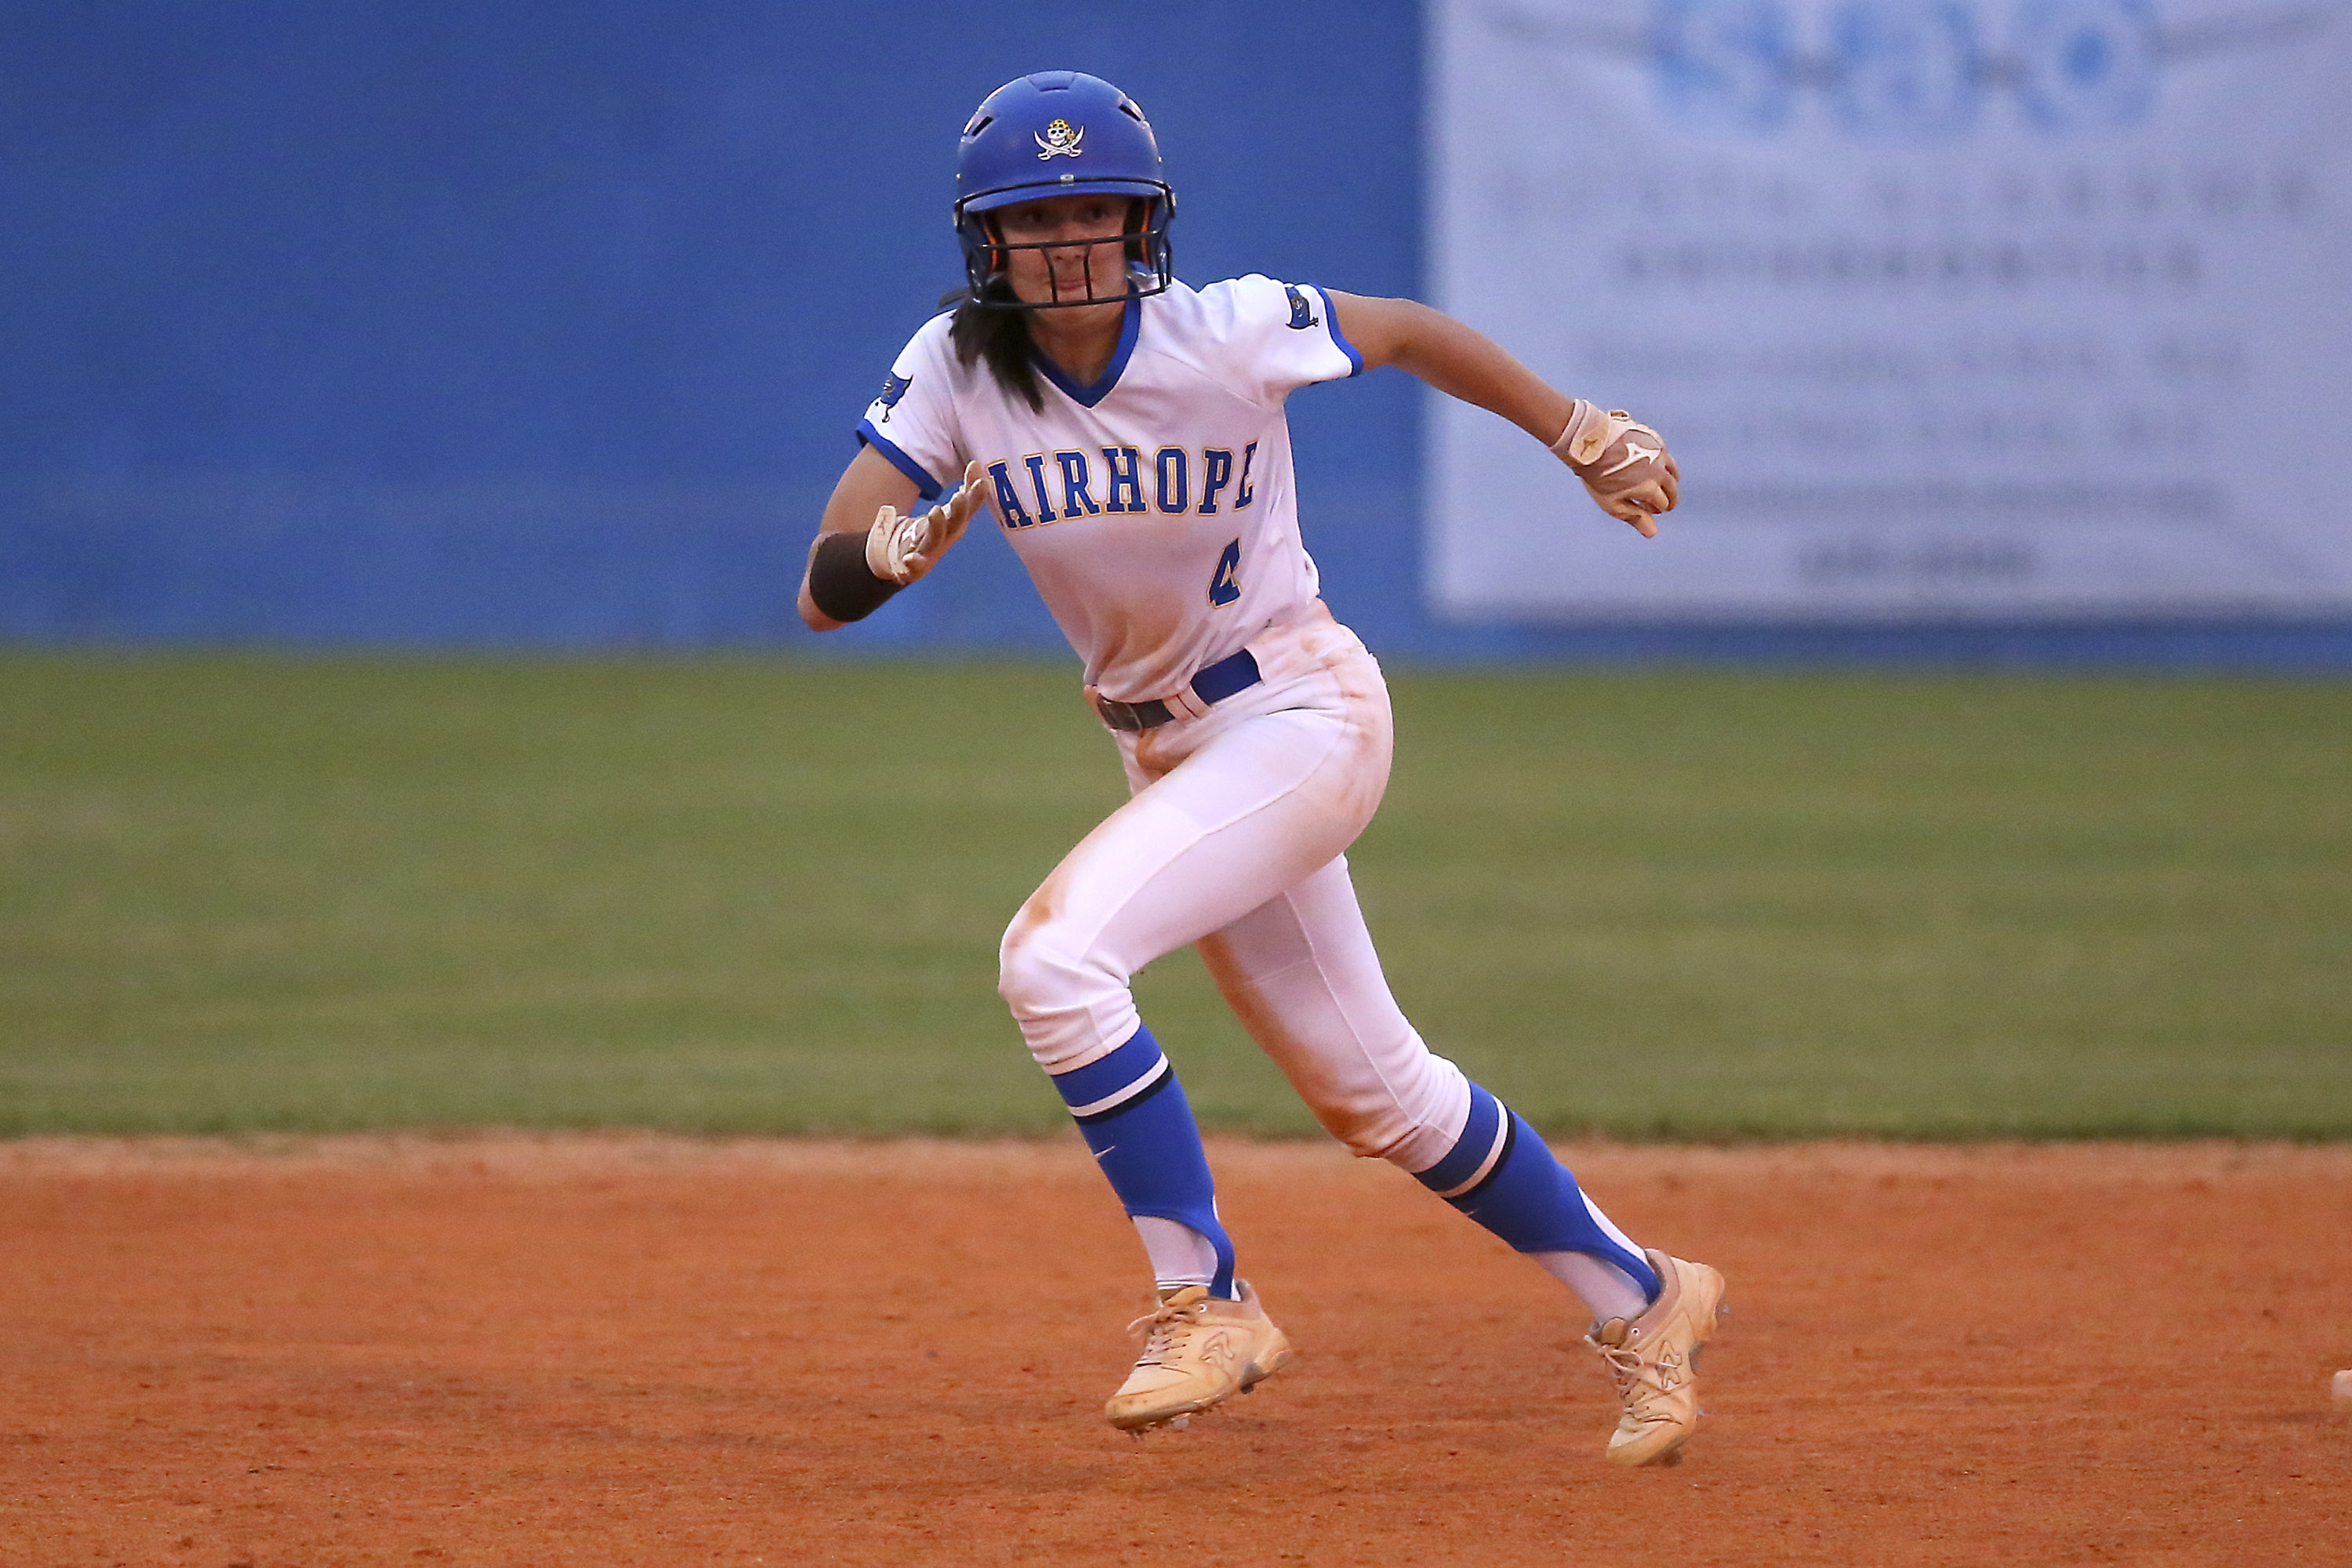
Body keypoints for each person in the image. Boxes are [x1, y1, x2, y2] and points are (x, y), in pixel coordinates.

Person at [797, 70, 1723, 1465]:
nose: (1070, 243)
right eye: (1035, 218)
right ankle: (1649, 1297)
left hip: (1299, 713)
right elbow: (821, 588)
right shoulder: (954, 365)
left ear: (1143, 221)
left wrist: (1576, 429)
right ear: (985, 241)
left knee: (1053, 964)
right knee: (1382, 1097)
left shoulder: (1225, 331)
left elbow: (1404, 332)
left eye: (1096, 210)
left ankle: (1206, 1301)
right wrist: (884, 554)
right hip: (1168, 751)